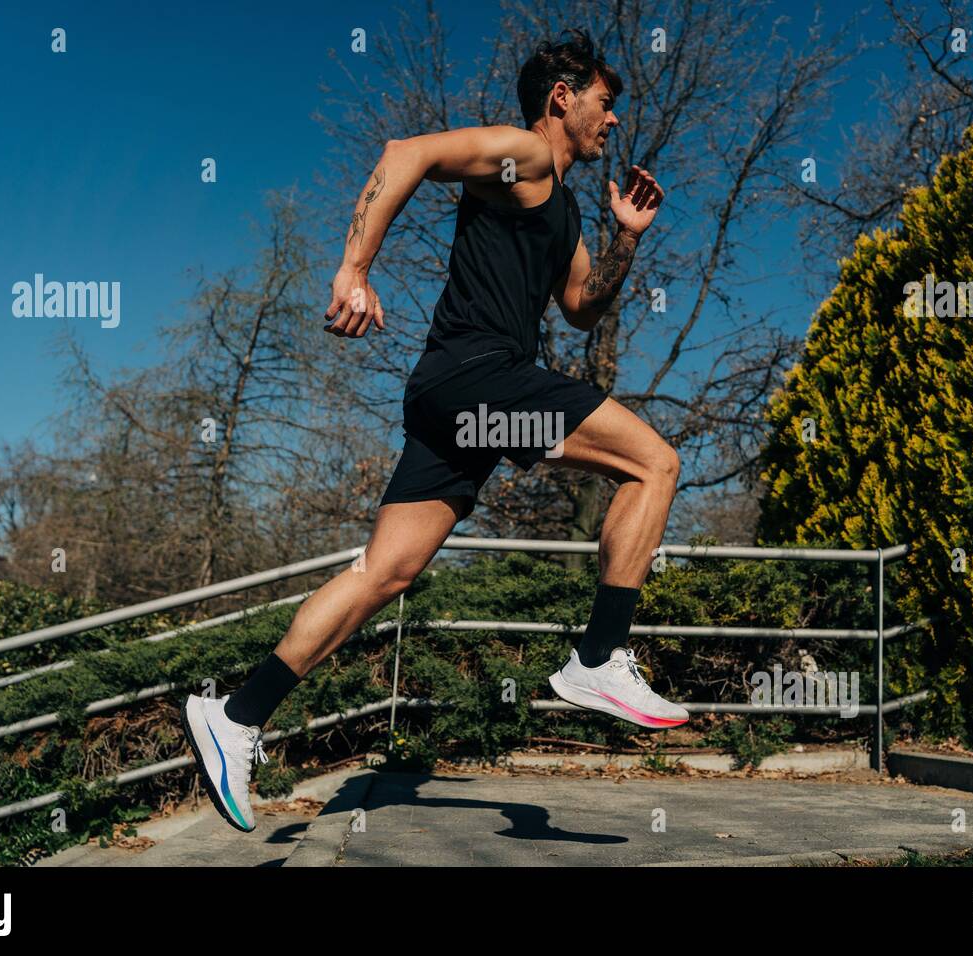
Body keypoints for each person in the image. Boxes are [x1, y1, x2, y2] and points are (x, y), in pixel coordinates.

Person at [181, 28, 686, 833]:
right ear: (563, 96)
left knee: (384, 574)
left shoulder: (558, 205)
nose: (613, 120)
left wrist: (626, 233)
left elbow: (583, 308)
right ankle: (598, 658)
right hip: (478, 379)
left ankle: (236, 716)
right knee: (654, 464)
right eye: (605, 102)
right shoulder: (520, 152)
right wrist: (355, 268)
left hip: (453, 401)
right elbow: (407, 152)